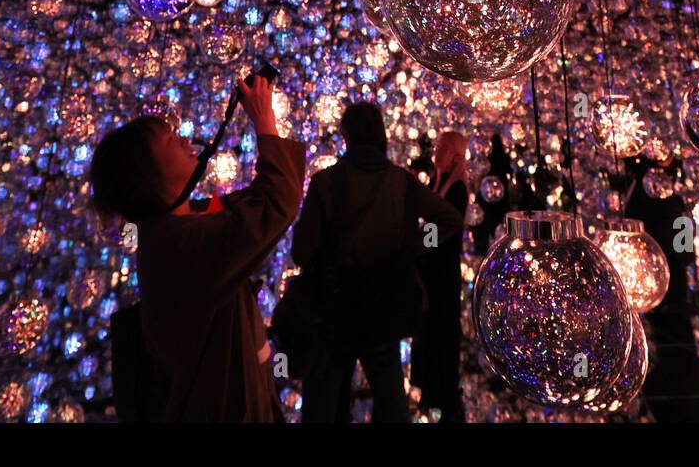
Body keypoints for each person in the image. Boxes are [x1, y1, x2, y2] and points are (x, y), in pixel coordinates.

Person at [90, 75, 305, 422]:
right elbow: (276, 202)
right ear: (146, 174)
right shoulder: (181, 244)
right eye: (170, 139)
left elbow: (247, 204)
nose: (186, 140)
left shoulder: (180, 225)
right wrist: (263, 118)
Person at [292, 101, 463, 423]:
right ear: (381, 135)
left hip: (335, 307)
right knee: (390, 396)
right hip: (385, 303)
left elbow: (301, 251)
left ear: (346, 136)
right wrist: (414, 245)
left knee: (325, 398)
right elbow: (449, 220)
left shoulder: (326, 182)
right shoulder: (401, 182)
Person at [411, 130, 470, 422]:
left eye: (444, 148)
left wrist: (420, 242)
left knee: (440, 328)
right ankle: (429, 391)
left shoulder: (456, 190)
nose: (437, 151)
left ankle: (440, 396)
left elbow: (442, 229)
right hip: (431, 270)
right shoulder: (437, 184)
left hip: (441, 273)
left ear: (456, 157)